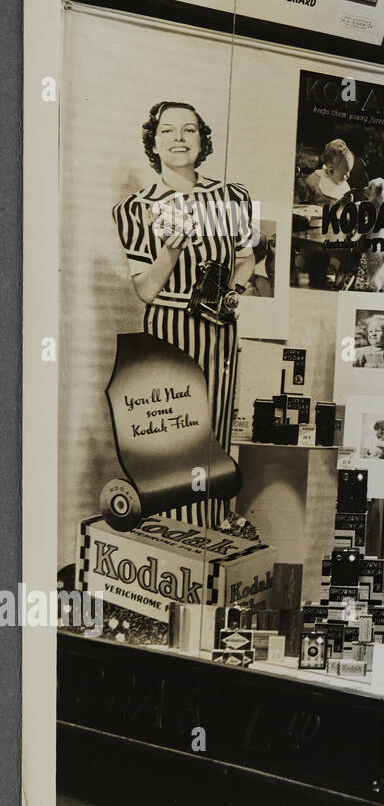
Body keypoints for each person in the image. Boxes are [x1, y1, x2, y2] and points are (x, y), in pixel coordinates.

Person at [112, 100, 255, 528]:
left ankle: (210, 528)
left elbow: (246, 260)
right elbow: (146, 290)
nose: (178, 138)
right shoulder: (135, 208)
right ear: (153, 142)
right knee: (169, 435)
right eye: (167, 131)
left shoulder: (232, 197)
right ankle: (172, 535)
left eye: (189, 130)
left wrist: (233, 292)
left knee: (213, 429)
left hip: (218, 332)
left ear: (202, 140)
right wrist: (171, 250)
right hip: (167, 331)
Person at [302, 138, 354, 208]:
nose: (348, 176)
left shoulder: (343, 183)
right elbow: (302, 203)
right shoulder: (314, 181)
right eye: (344, 174)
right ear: (331, 170)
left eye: (349, 172)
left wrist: (348, 201)